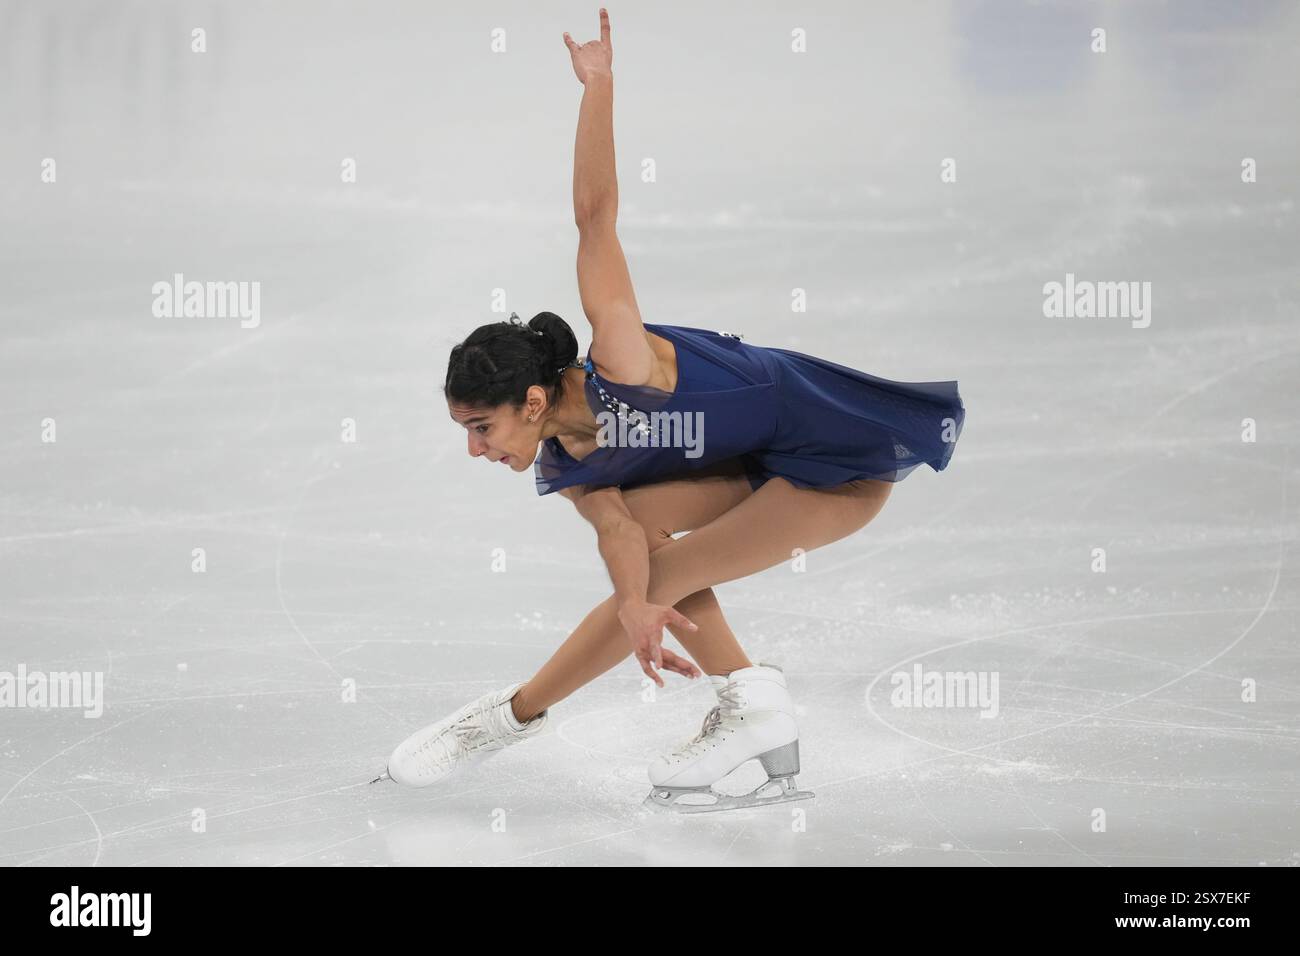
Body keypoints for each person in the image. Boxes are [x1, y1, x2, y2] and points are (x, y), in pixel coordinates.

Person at [371, 9, 965, 813]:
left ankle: (518, 717)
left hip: (841, 463)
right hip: (764, 471)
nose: (477, 450)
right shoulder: (568, 462)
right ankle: (742, 707)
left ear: (534, 399)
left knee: (670, 570)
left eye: (482, 428)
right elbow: (620, 532)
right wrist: (633, 609)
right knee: (647, 560)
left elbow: (594, 215)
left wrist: (598, 88)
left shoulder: (624, 364)